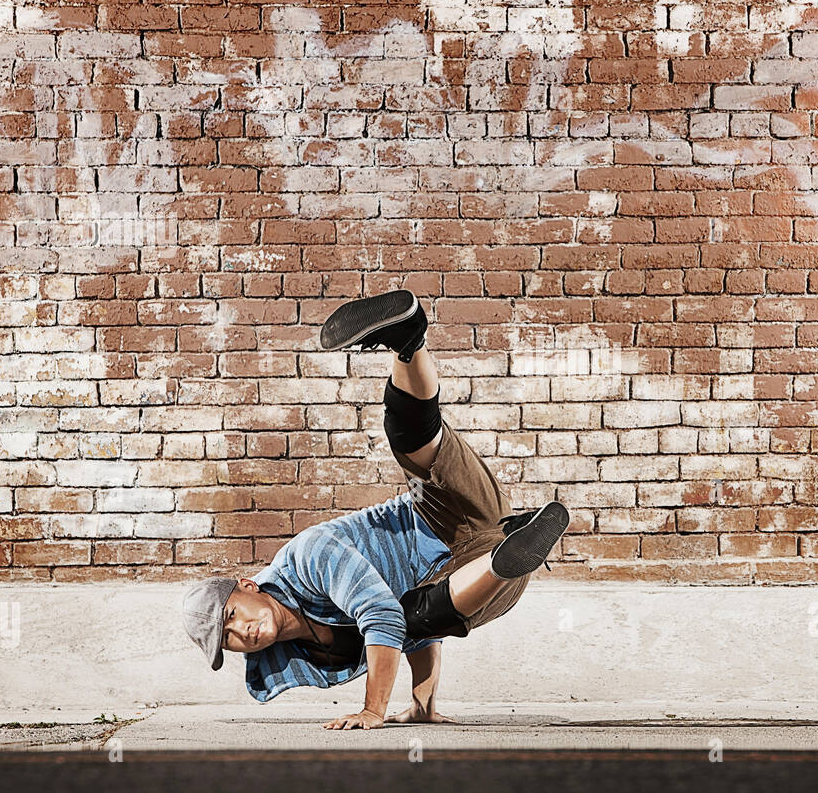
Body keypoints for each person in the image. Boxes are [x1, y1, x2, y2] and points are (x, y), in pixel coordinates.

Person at [180, 289, 570, 729]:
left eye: (232, 616)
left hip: (442, 513)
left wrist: (373, 710)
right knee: (417, 614)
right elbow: (414, 634)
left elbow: (384, 618)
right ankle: (509, 555)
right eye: (228, 643)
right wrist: (423, 704)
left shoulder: (308, 557)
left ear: (248, 586)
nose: (241, 634)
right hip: (467, 580)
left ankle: (408, 338)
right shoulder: (310, 645)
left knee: (414, 442)